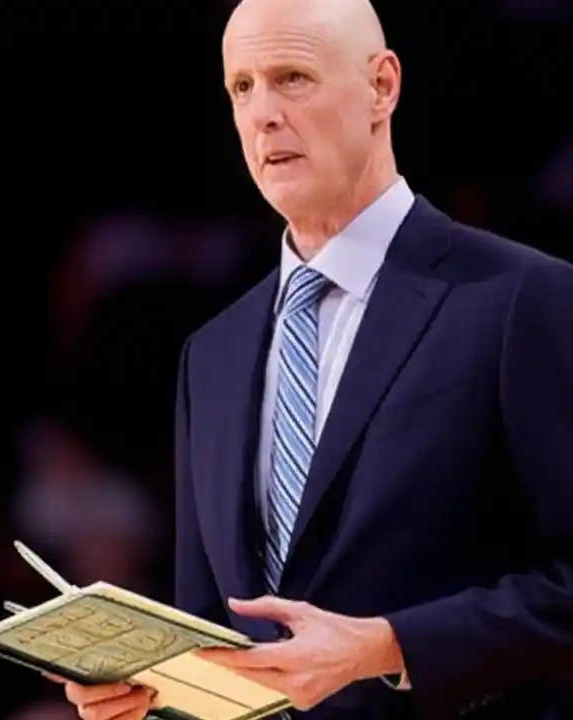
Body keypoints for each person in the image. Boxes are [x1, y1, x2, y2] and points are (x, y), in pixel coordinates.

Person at [57, 0, 573, 718]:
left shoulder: (523, 297)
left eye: (293, 77)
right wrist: (150, 690)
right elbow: (214, 639)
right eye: (242, 87)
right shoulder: (210, 355)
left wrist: (386, 646)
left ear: (381, 88)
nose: (263, 113)